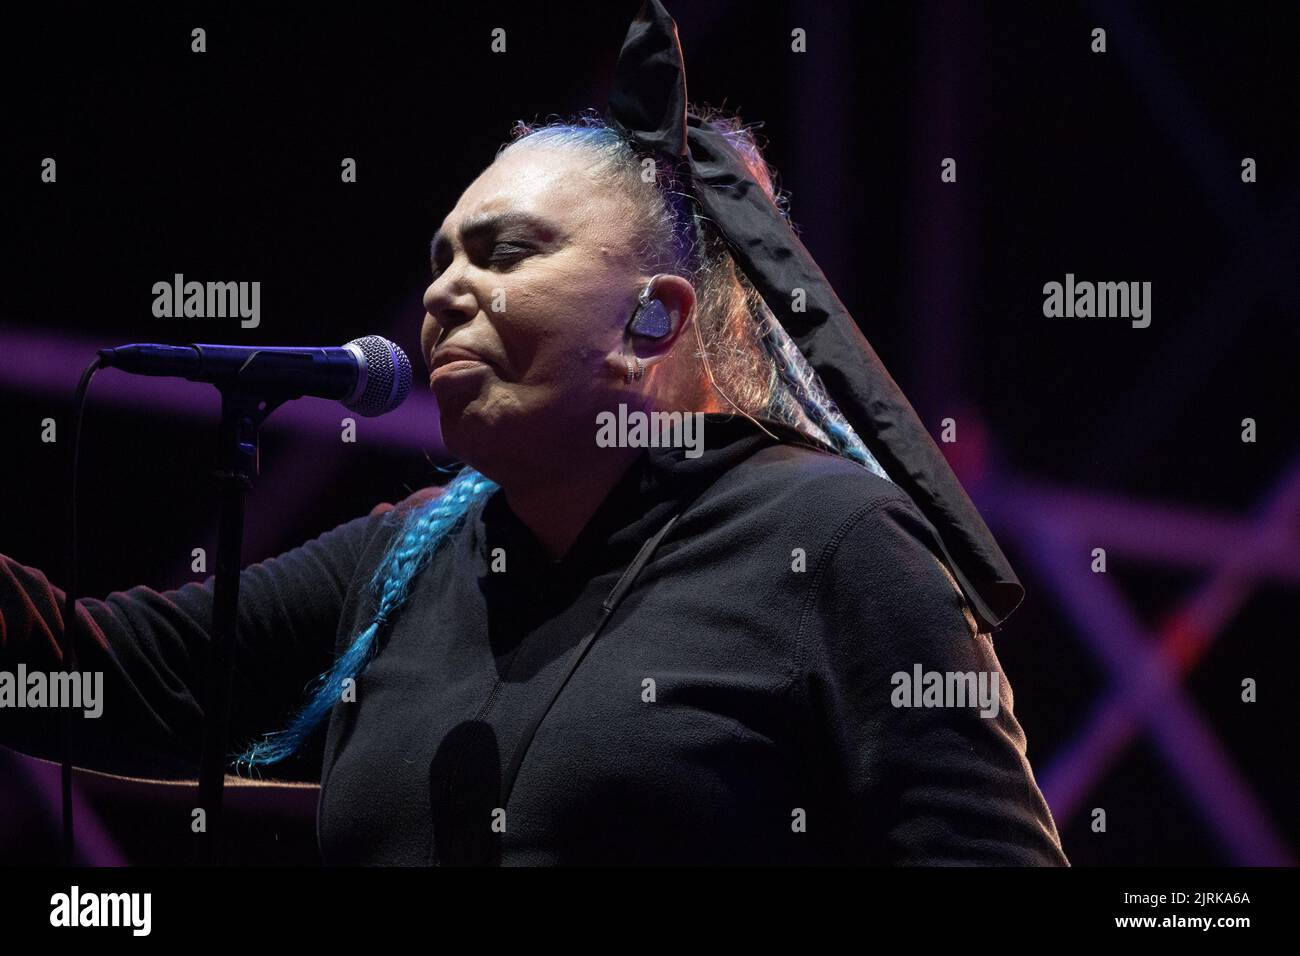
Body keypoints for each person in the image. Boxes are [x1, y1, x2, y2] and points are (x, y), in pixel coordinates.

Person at [0, 1, 1068, 866]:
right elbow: (67, 670)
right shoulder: (404, 564)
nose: (444, 293)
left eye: (505, 253)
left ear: (656, 316)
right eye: (439, 261)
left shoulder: (829, 539)